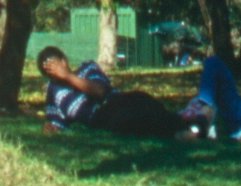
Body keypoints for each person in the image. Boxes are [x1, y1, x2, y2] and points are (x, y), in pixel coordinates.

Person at [36, 46, 191, 140]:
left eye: (55, 67)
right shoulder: (54, 91)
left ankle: (187, 123)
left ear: (64, 61)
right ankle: (182, 132)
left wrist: (68, 76)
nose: (55, 74)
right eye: (48, 72)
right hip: (99, 118)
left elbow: (100, 90)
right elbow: (56, 122)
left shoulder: (87, 67)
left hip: (115, 100)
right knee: (128, 119)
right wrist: (50, 128)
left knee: (142, 101)